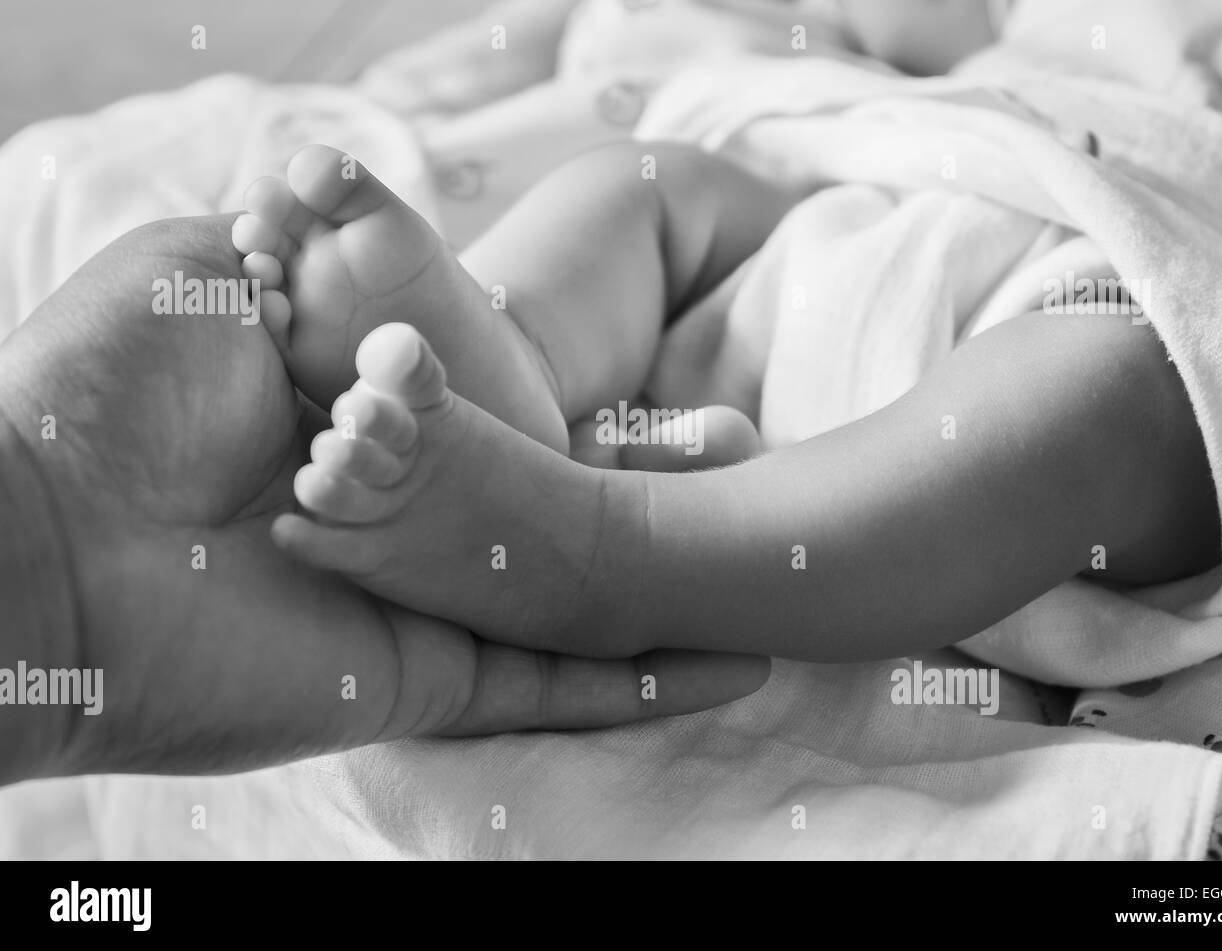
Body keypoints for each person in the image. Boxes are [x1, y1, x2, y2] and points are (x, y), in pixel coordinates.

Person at [230, 140, 1220, 664]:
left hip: (1137, 285)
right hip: (877, 213)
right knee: (655, 186)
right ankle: (518, 358)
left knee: (1112, 401)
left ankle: (618, 546)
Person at [0, 214, 771, 787]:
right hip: (698, 328)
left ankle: (533, 432)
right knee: (647, 195)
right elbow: (666, 215)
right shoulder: (790, 117)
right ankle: (523, 373)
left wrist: (606, 542)